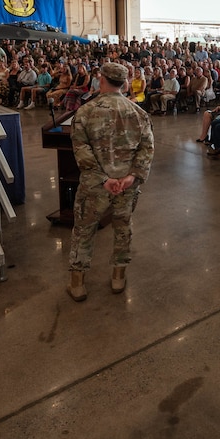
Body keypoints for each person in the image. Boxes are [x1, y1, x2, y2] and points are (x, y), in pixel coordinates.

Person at [67, 63, 155, 301]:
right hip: (126, 187)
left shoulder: (85, 112)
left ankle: (78, 283)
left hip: (95, 186)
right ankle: (118, 277)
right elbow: (147, 149)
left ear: (101, 80)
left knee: (84, 230)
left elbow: (81, 150)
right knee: (123, 228)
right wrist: (131, 177)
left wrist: (103, 180)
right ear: (125, 83)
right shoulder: (139, 113)